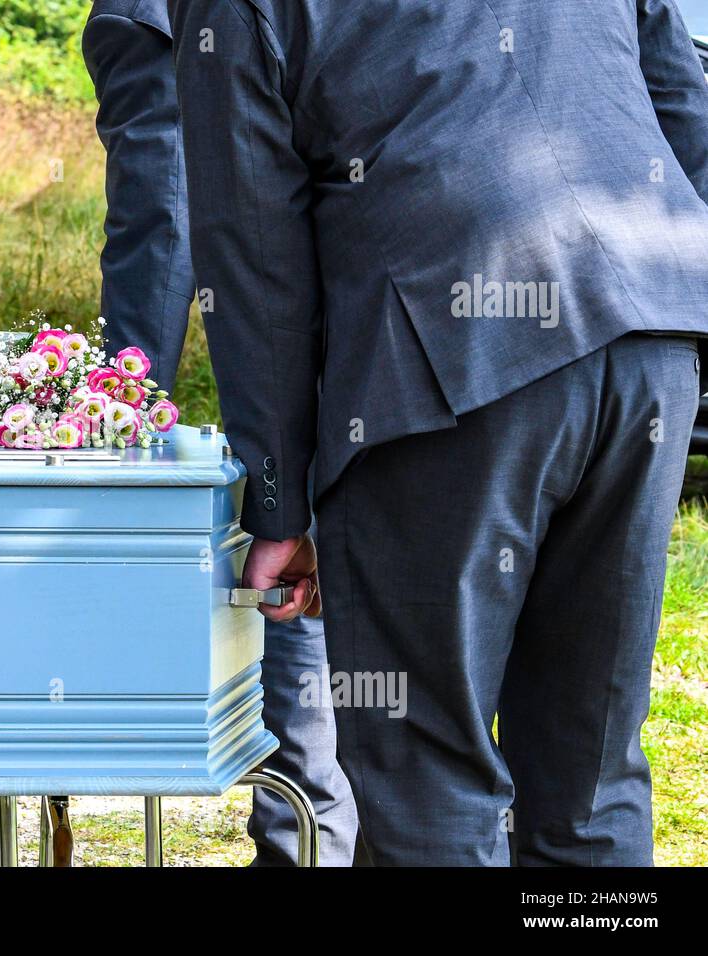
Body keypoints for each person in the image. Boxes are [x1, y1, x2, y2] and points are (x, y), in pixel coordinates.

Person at [170, 0, 708, 865]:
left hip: (446, 359)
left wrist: (277, 502)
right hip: (647, 325)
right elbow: (685, 108)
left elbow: (251, 252)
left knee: (429, 776)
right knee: (593, 777)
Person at [83, 0, 358, 865]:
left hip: (329, 312)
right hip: (422, 311)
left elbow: (162, 214)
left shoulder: (155, 16)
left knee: (290, 519)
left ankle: (307, 839)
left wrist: (123, 414)